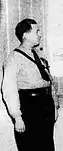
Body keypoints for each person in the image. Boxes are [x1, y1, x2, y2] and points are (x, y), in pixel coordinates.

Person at [1, 19, 59, 151]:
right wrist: (17, 117)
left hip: (45, 106)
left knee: (47, 147)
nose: (40, 34)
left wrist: (55, 106)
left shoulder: (38, 55)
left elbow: (49, 82)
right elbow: (9, 89)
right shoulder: (13, 58)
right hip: (29, 108)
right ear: (25, 35)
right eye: (36, 31)